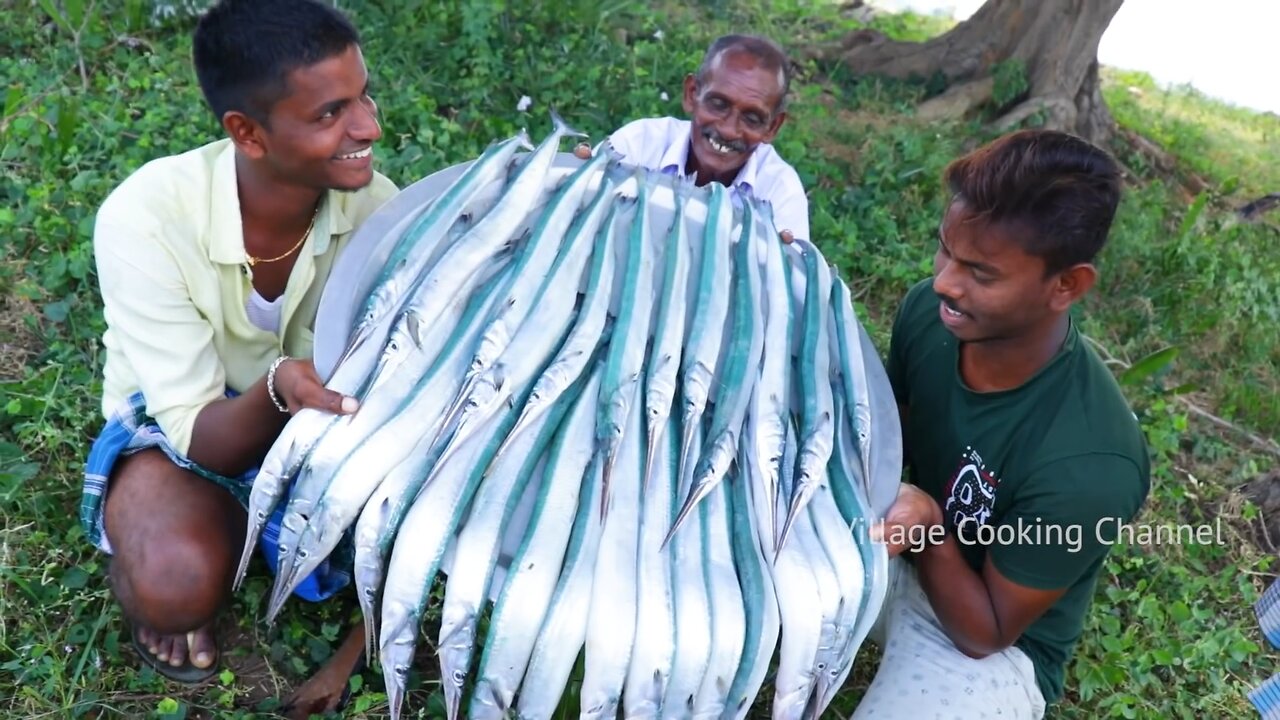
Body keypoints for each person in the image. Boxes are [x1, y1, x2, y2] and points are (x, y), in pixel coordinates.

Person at [81, 0, 396, 715]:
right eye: (330, 114)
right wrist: (280, 389)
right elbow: (199, 433)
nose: (369, 128)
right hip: (184, 425)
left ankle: (247, 526)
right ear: (247, 133)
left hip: (313, 421)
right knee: (176, 584)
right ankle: (172, 535)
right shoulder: (148, 215)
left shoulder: (378, 208)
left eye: (364, 97)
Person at [859, 129, 1151, 718]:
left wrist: (930, 529)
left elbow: (985, 632)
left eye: (981, 274)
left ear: (1067, 284)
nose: (945, 281)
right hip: (889, 550)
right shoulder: (930, 313)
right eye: (946, 250)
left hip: (990, 649)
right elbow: (888, 444)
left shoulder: (1091, 462)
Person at [591, 33, 810, 243]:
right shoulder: (638, 145)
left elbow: (785, 280)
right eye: (718, 104)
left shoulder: (778, 192)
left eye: (751, 118)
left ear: (772, 127)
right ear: (692, 94)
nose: (728, 130)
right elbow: (582, 216)